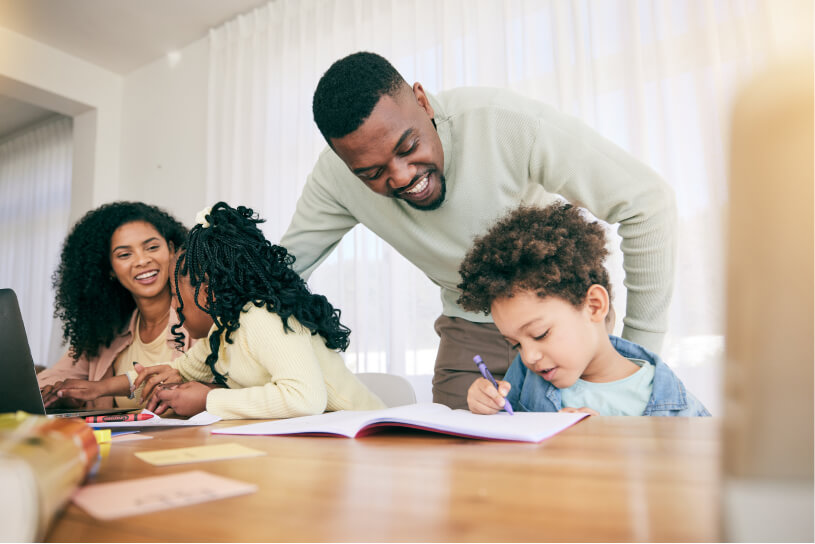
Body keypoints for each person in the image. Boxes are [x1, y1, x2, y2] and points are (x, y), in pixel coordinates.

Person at [280, 51, 677, 409]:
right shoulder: (335, 179)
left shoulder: (505, 122)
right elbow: (277, 274)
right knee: (460, 463)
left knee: (585, 464)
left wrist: (636, 354)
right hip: (469, 329)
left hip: (557, 318)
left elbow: (646, 203)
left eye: (407, 147)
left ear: (423, 101)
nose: (401, 177)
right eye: (373, 173)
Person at [66, 202, 386, 419]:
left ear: (207, 288)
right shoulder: (224, 333)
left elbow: (304, 398)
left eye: (178, 295)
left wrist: (207, 400)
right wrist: (102, 387)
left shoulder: (260, 317)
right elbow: (174, 369)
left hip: (368, 436)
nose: (175, 305)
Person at [458, 203, 708, 417]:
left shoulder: (679, 410)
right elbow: (503, 452)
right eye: (516, 345)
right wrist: (485, 407)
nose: (528, 357)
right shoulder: (524, 375)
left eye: (540, 333)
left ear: (594, 306)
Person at [38, 202, 192, 410]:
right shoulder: (105, 333)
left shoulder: (201, 317)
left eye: (152, 247)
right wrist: (61, 395)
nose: (142, 260)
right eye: (124, 254)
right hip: (119, 443)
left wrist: (102, 387)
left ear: (172, 250)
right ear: (110, 268)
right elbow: (48, 382)